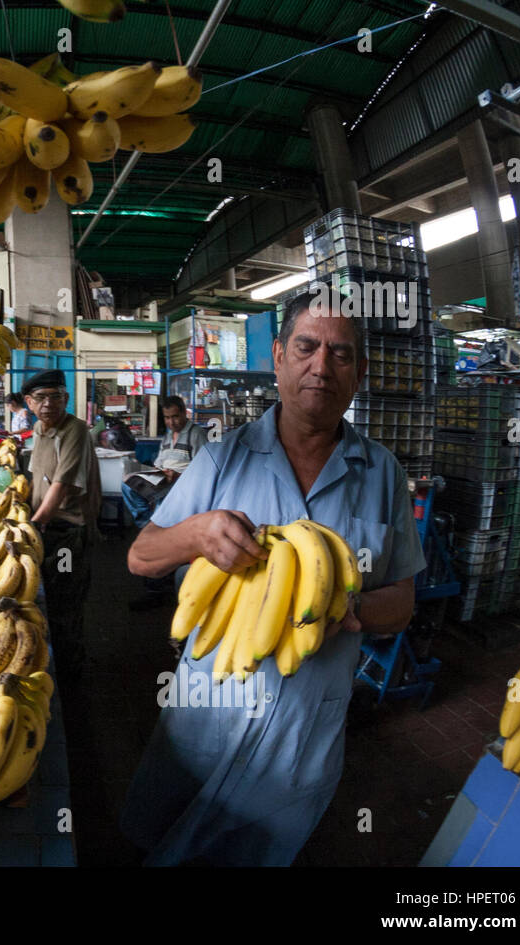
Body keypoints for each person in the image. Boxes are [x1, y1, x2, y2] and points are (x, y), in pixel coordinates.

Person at [120, 291, 425, 866]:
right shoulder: (220, 460)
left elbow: (403, 605)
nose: (321, 366)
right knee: (159, 840)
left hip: (304, 732)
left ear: (359, 373)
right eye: (307, 347)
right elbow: (141, 558)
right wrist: (195, 535)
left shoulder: (383, 473)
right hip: (206, 710)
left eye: (341, 355)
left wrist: (345, 610)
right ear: (280, 357)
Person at [22, 369, 101, 680]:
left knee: (67, 594)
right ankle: (57, 660)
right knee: (49, 594)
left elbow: (61, 486)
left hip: (68, 533)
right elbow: (36, 478)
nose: (48, 404)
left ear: (66, 399)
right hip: (48, 530)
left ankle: (72, 670)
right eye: (40, 398)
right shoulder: (40, 431)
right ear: (29, 403)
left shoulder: (75, 430)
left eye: (56, 397)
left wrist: (33, 523)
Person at [122, 395, 209, 532]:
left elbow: (203, 469)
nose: (171, 422)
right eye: (167, 418)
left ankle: (156, 527)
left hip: (182, 484)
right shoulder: (168, 437)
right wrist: (149, 471)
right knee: (128, 485)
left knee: (162, 504)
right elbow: (159, 464)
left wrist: (177, 475)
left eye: (175, 417)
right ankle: (146, 524)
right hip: (164, 479)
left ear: (184, 413)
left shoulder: (196, 434)